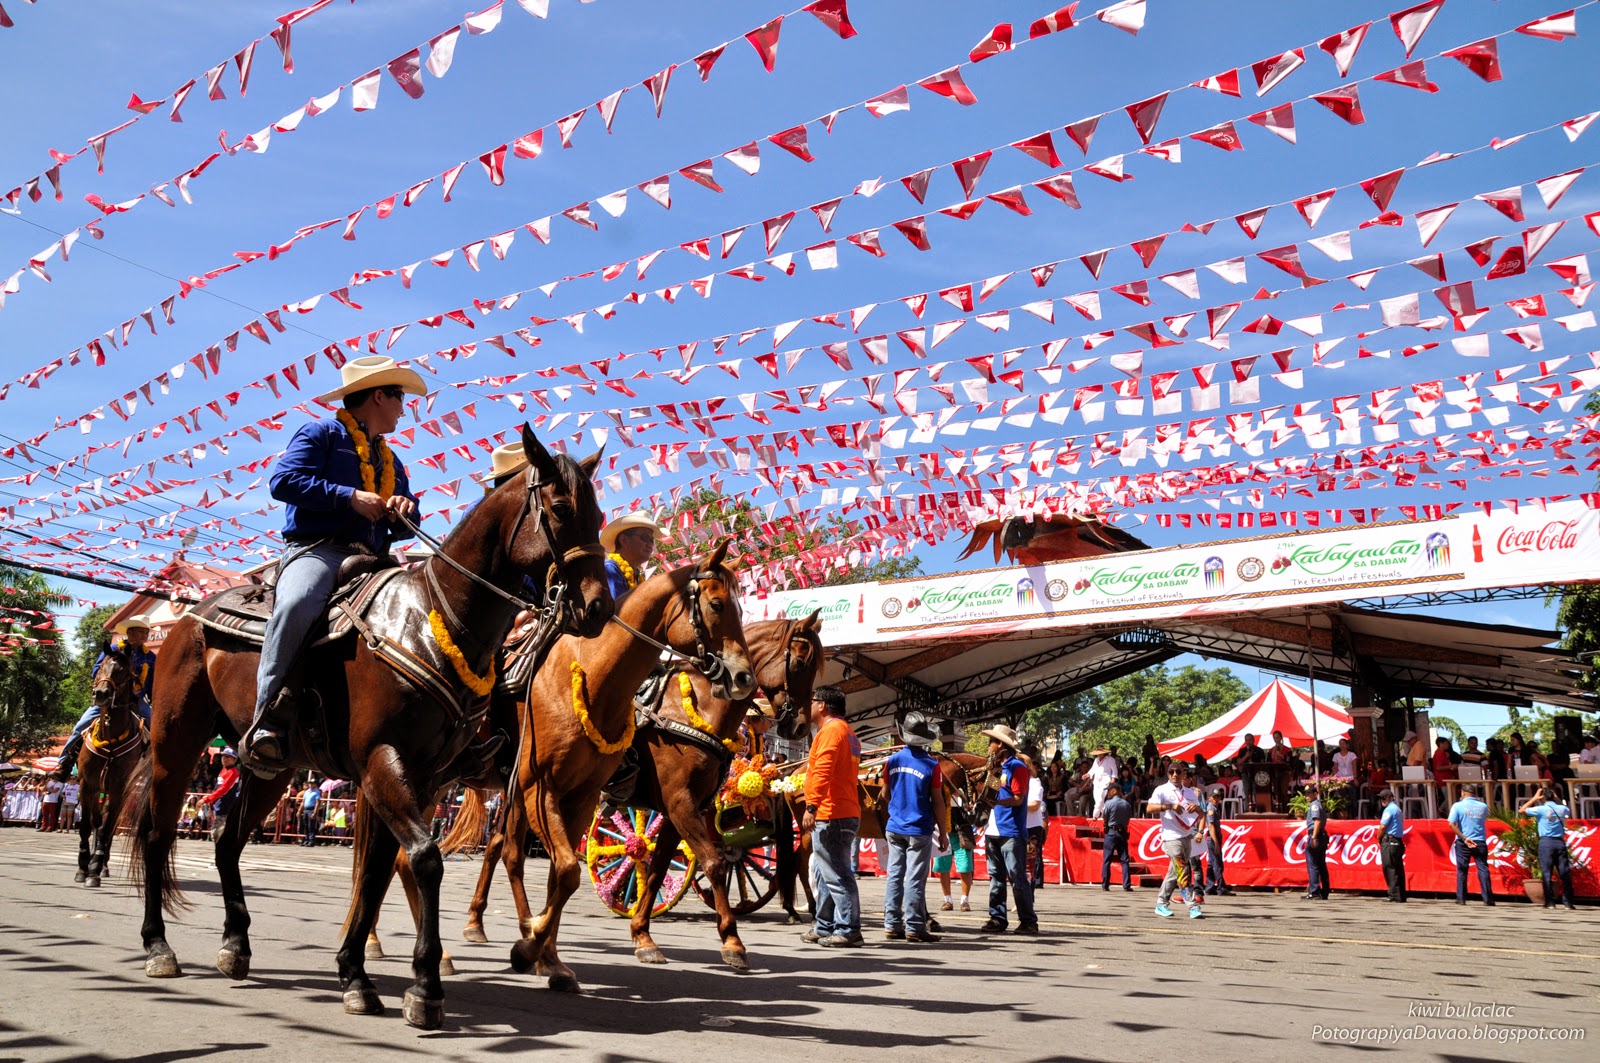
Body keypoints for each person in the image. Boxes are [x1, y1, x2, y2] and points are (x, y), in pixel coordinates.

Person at [241, 356, 424, 777]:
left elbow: (410, 522)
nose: (403, 407)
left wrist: (403, 508)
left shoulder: (392, 460)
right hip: (318, 550)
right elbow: (282, 482)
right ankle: (267, 718)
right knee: (299, 601)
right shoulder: (321, 432)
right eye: (400, 397)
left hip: (373, 559)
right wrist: (349, 496)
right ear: (379, 395)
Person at [54, 615, 159, 779]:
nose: (145, 635)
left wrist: (152, 700)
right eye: (141, 631)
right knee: (80, 726)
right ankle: (63, 763)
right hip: (108, 698)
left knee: (155, 730)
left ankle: (153, 769)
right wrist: (108, 683)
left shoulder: (151, 657)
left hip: (136, 700)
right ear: (130, 632)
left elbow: (152, 682)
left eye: (147, 632)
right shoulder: (113, 649)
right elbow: (96, 670)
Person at [802, 685, 863, 948]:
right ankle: (825, 925)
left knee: (837, 874)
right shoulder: (847, 732)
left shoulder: (830, 731)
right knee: (828, 873)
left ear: (822, 705)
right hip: (842, 810)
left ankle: (849, 929)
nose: (809, 705)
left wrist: (811, 806)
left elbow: (823, 771)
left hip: (831, 812)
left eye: (812, 700)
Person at [880, 712, 948, 943]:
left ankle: (891, 924)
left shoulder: (892, 761)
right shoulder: (931, 765)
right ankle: (915, 927)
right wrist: (944, 833)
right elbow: (938, 802)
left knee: (895, 875)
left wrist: (897, 808)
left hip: (895, 826)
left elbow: (884, 794)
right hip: (919, 828)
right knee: (914, 878)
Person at [979, 724, 1037, 934]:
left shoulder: (1017, 767)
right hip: (993, 830)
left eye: (991, 742)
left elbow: (1018, 798)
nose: (988, 746)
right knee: (996, 877)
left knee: (1017, 877)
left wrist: (994, 802)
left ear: (1001, 745)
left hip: (1010, 831)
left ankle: (1028, 921)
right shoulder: (995, 769)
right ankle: (997, 918)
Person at [1148, 761, 1204, 919]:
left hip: (1186, 836)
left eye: (1178, 772)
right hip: (1171, 837)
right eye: (1171, 771)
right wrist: (1169, 807)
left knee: (1174, 872)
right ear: (1167, 773)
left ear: (1183, 774)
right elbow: (1149, 808)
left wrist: (1197, 809)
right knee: (1182, 871)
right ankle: (1193, 906)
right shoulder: (1162, 790)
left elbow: (1200, 813)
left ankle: (1161, 903)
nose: (1174, 774)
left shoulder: (1190, 792)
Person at [1519, 787, 1577, 910]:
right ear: (1554, 796)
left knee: (1546, 873)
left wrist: (1534, 798)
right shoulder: (1562, 809)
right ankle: (1568, 902)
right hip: (1559, 842)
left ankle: (1550, 902)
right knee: (1564, 873)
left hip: (1546, 843)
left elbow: (1522, 810)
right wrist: (1557, 798)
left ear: (1543, 797)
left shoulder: (1541, 809)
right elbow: (1566, 808)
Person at [1447, 783, 1494, 905]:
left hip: (1464, 841)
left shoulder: (1458, 806)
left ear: (1462, 793)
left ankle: (1461, 898)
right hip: (1480, 840)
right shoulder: (1483, 806)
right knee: (1483, 869)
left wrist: (1463, 838)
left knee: (1462, 870)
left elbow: (1451, 824)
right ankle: (1488, 898)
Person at [600, 510, 661, 601]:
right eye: (645, 538)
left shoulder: (635, 574)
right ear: (624, 540)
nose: (650, 545)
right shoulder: (610, 569)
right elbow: (618, 612)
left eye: (652, 540)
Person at [934, 789, 976, 913]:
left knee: (965, 866)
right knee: (943, 866)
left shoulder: (963, 783)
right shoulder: (940, 785)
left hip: (960, 828)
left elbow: (971, 802)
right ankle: (947, 900)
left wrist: (961, 794)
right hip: (943, 829)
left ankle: (965, 900)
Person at [199, 748, 243, 841]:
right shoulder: (224, 769)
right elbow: (217, 788)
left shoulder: (233, 772)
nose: (225, 758)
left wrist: (206, 799)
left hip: (226, 804)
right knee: (218, 833)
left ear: (234, 760)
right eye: (223, 756)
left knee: (217, 833)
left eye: (228, 757)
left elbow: (223, 790)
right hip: (220, 804)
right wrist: (211, 802)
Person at [1376, 789, 1407, 902]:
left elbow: (1383, 826)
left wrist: (1378, 838)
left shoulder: (1389, 810)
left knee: (1389, 868)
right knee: (1398, 868)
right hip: (1397, 841)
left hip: (1390, 840)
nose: (1382, 801)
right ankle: (1401, 894)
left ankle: (1394, 895)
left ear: (1389, 798)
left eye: (1383, 798)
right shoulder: (1397, 809)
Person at [1100, 784, 1133, 890]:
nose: (1108, 793)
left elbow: (1105, 817)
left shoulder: (1109, 803)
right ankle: (1126, 885)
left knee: (1107, 859)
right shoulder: (1126, 804)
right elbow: (1128, 820)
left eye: (1109, 790)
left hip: (1111, 832)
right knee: (1124, 859)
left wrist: (1106, 825)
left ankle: (1105, 884)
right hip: (1122, 832)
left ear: (1114, 791)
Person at [1302, 783, 1331, 900]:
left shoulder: (1314, 805)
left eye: (1309, 793)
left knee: (1313, 864)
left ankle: (1314, 891)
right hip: (1321, 836)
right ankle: (1324, 891)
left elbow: (1317, 821)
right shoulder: (1316, 804)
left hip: (1316, 835)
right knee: (1321, 864)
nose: (1307, 796)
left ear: (1315, 794)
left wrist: (1313, 837)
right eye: (1306, 794)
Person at [1022, 754, 1047, 889]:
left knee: (1029, 864)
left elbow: (1035, 805)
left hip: (1032, 826)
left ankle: (1028, 897)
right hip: (1017, 826)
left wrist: (1016, 806)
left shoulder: (1034, 782)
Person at [1202, 787, 1231, 896]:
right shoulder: (1211, 810)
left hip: (1213, 838)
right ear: (1210, 798)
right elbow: (1211, 826)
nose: (1217, 799)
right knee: (1217, 864)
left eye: (1218, 797)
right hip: (1213, 838)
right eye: (1214, 797)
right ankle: (1221, 887)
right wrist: (1216, 842)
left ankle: (1209, 887)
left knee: (1211, 863)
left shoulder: (1213, 808)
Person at [1088, 746, 1117, 819]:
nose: (1099, 755)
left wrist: (1112, 781)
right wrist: (1088, 774)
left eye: (1100, 753)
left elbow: (1114, 771)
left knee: (1101, 798)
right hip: (1096, 782)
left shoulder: (1110, 759)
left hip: (1105, 781)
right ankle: (1105, 814)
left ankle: (1095, 815)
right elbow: (1092, 770)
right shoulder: (1096, 760)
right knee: (1097, 799)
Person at [299, 778, 323, 846]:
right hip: (306, 809)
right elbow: (303, 802)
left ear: (315, 784)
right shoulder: (306, 792)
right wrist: (299, 810)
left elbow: (317, 803)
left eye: (312, 783)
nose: (310, 785)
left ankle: (311, 840)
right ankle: (306, 839)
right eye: (310, 783)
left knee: (311, 826)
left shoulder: (317, 792)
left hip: (311, 809)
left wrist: (315, 812)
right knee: (306, 826)